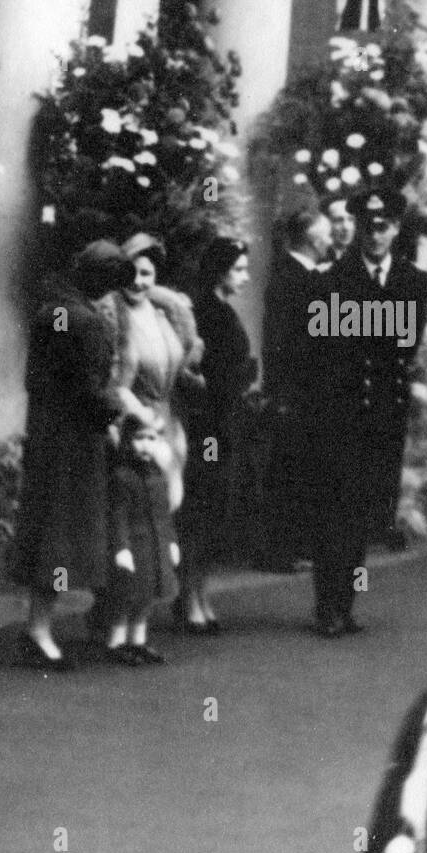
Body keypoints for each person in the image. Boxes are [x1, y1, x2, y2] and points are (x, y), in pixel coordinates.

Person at [309, 186, 427, 637]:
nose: (375, 236)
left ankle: (348, 602)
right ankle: (328, 606)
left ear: (396, 229)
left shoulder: (413, 280)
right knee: (334, 509)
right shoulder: (331, 279)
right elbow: (327, 341)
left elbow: (405, 340)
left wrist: (365, 321)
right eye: (368, 228)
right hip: (341, 408)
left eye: (383, 228)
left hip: (383, 411)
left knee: (365, 510)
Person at [11, 240, 133, 670]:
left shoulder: (53, 310)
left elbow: (43, 380)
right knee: (61, 533)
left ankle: (44, 624)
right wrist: (118, 415)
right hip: (75, 443)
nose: (110, 293)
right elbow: (88, 389)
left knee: (50, 527)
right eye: (109, 283)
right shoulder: (82, 320)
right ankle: (40, 631)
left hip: (48, 435)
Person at [176, 238, 256, 634]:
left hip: (225, 422)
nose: (245, 276)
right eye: (239, 269)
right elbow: (200, 371)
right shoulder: (202, 312)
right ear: (221, 270)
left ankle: (201, 592)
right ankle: (189, 595)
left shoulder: (223, 311)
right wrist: (240, 376)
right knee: (201, 505)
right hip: (206, 425)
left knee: (215, 509)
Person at [103, 233, 205, 512]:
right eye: (131, 273)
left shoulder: (165, 313)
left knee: (167, 508)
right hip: (135, 429)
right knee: (138, 511)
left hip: (169, 420)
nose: (138, 281)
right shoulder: (113, 317)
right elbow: (111, 381)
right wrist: (135, 414)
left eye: (146, 273)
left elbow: (180, 363)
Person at [261, 209, 332, 570]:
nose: (330, 241)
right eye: (325, 235)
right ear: (312, 239)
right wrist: (282, 391)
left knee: (296, 469)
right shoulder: (293, 278)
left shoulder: (297, 275)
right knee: (289, 471)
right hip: (295, 390)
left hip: (301, 389)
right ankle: (280, 550)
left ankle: (290, 547)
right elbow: (282, 341)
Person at [103, 417, 180, 666]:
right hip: (135, 547)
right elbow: (118, 516)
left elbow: (164, 515)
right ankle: (116, 641)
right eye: (139, 438)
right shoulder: (122, 477)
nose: (145, 445)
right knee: (127, 596)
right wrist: (121, 548)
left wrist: (172, 542)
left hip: (155, 545)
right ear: (127, 441)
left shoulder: (158, 476)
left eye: (151, 438)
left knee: (147, 597)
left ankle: (138, 640)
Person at [320, 193, 356, 264]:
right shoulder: (319, 259)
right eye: (338, 220)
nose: (346, 227)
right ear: (325, 223)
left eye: (351, 219)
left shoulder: (363, 254)